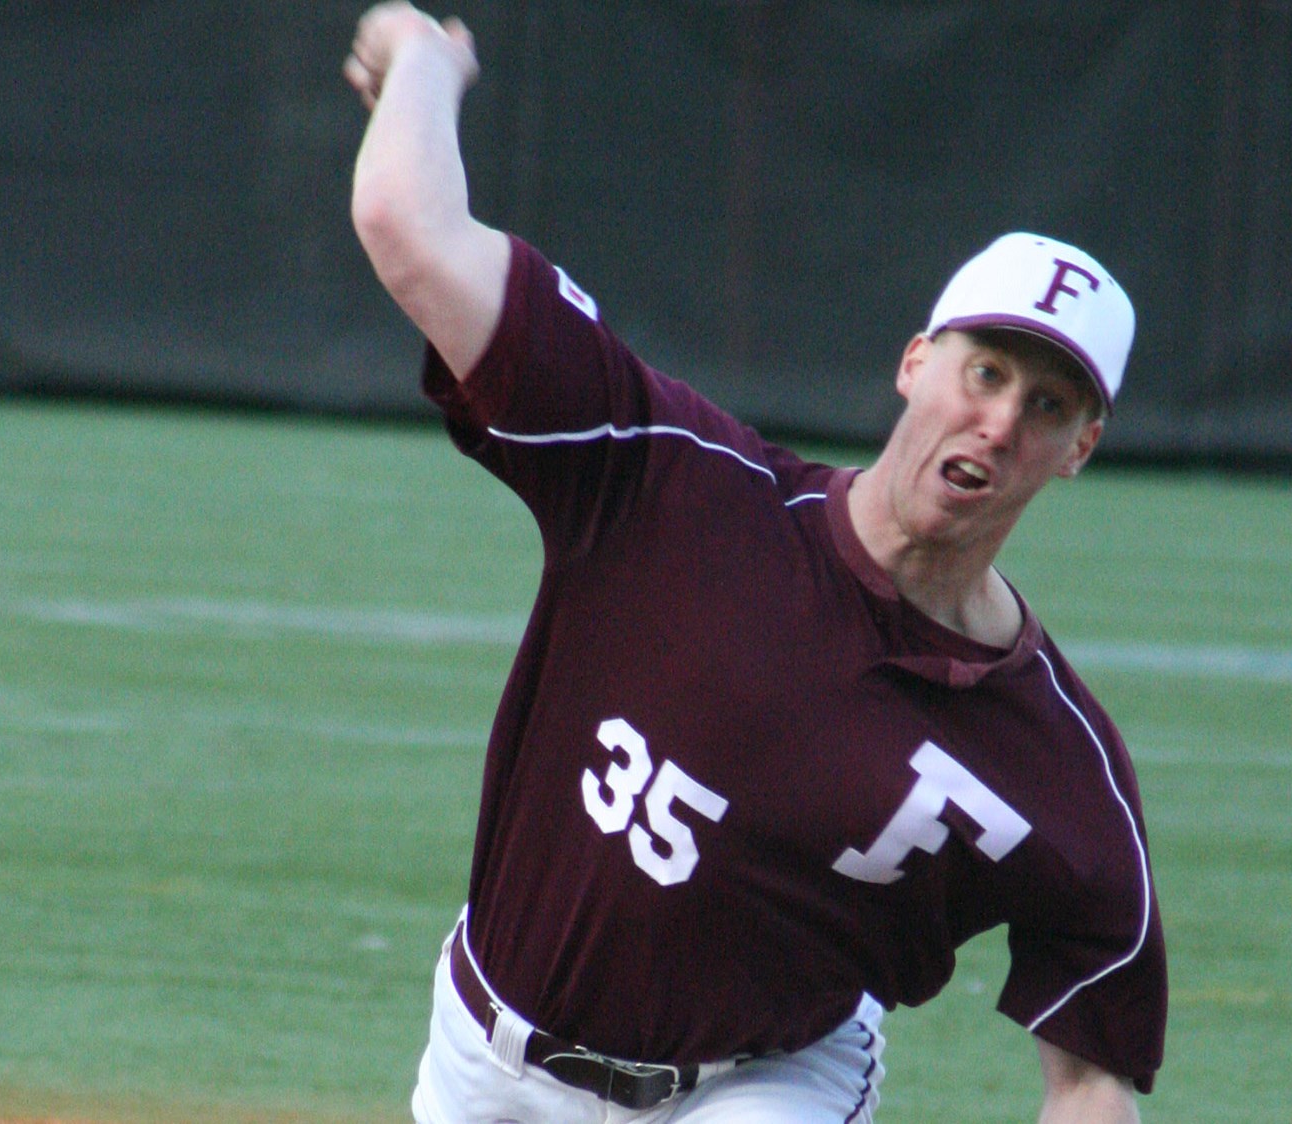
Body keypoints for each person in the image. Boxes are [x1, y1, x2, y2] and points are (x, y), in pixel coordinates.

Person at [344, 5, 1166, 1121]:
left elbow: (1090, 1070)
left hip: (766, 1082)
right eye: (982, 372)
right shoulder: (671, 483)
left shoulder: (1050, 757)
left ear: (1079, 448)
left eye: (1047, 403)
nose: (998, 420)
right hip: (488, 1052)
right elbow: (407, 224)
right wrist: (426, 68)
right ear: (916, 363)